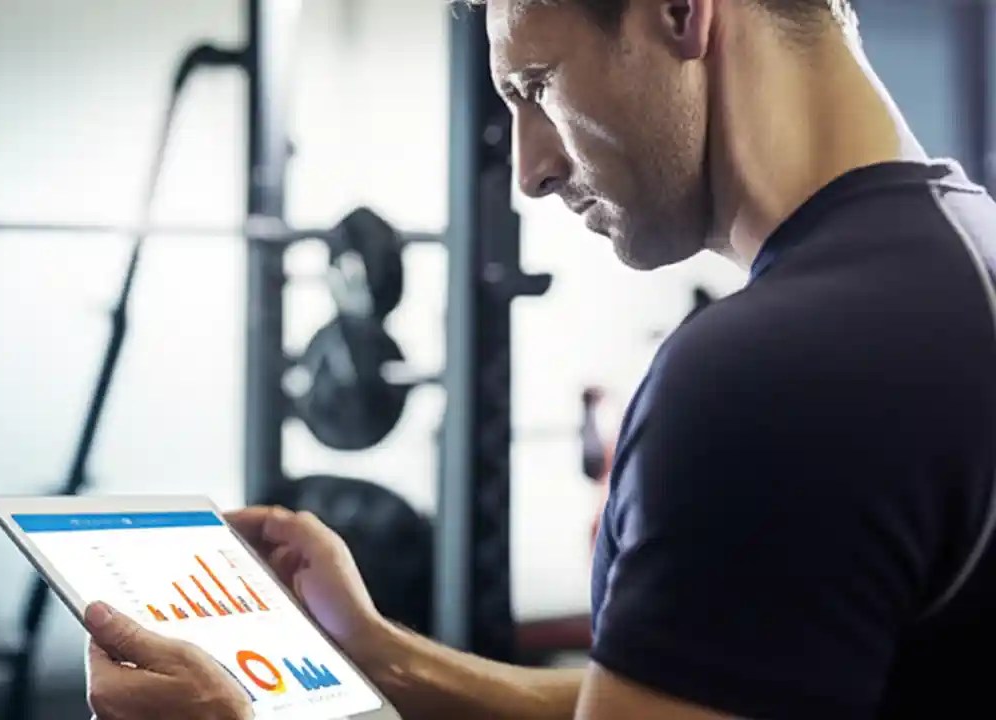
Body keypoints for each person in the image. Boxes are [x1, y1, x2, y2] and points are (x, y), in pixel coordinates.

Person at [84, 0, 996, 717]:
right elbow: (723, 693)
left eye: (536, 83)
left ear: (680, 11)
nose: (530, 168)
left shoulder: (767, 376)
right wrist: (376, 658)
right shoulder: (964, 258)